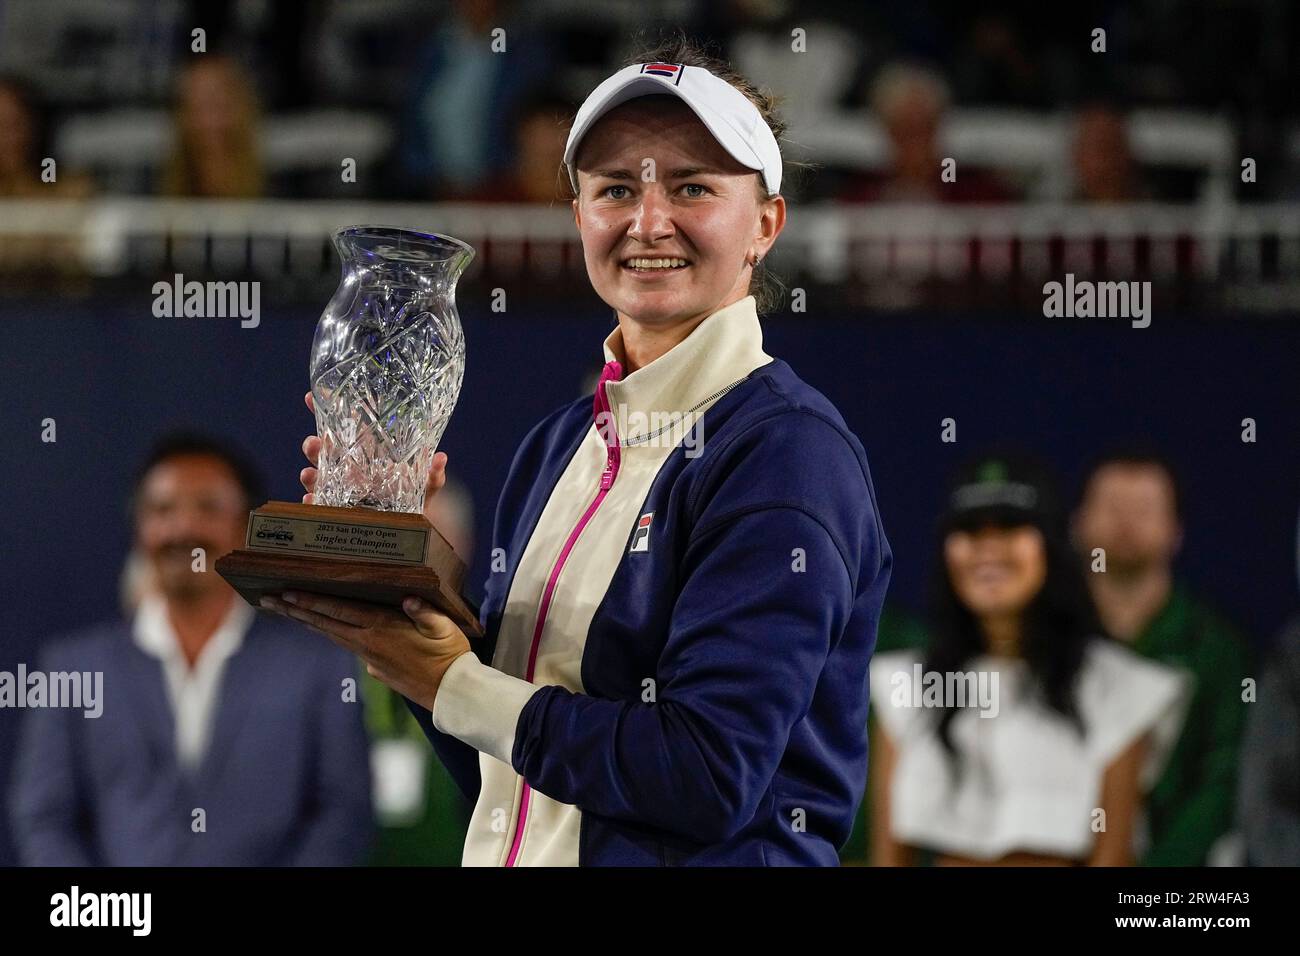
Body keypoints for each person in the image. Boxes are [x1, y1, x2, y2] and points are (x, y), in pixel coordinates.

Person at [265, 35, 893, 866]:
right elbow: (507, 772)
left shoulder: (786, 454)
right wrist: (409, 599)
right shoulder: (559, 444)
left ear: (765, 225)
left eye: (693, 187)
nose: (648, 220)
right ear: (579, 218)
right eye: (615, 189)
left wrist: (456, 682)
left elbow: (707, 775)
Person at [9, 432, 373, 865]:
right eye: (162, 510)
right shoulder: (72, 668)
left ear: (246, 527)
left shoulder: (318, 665)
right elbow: (43, 818)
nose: (183, 528)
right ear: (139, 528)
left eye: (208, 507)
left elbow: (344, 812)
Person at [871, 454, 1190, 866]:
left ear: (1054, 546)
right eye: (969, 529)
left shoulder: (1116, 686)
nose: (988, 548)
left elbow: (1112, 857)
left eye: (1010, 527)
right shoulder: (906, 685)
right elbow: (888, 860)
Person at [1072, 449, 1253, 865]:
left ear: (1177, 531)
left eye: (1145, 509)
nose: (1127, 523)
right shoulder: (1039, 638)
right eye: (1112, 506)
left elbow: (1225, 779)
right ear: (1077, 523)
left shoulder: (1218, 649)